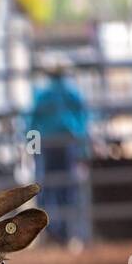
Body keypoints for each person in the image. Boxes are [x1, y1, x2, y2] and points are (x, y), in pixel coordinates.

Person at [26, 63, 91, 248]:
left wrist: (32, 150)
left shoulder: (41, 95)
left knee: (47, 188)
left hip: (46, 145)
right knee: (68, 188)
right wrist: (83, 151)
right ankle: (69, 232)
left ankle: (51, 232)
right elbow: (83, 124)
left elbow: (32, 124)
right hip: (67, 142)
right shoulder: (73, 94)